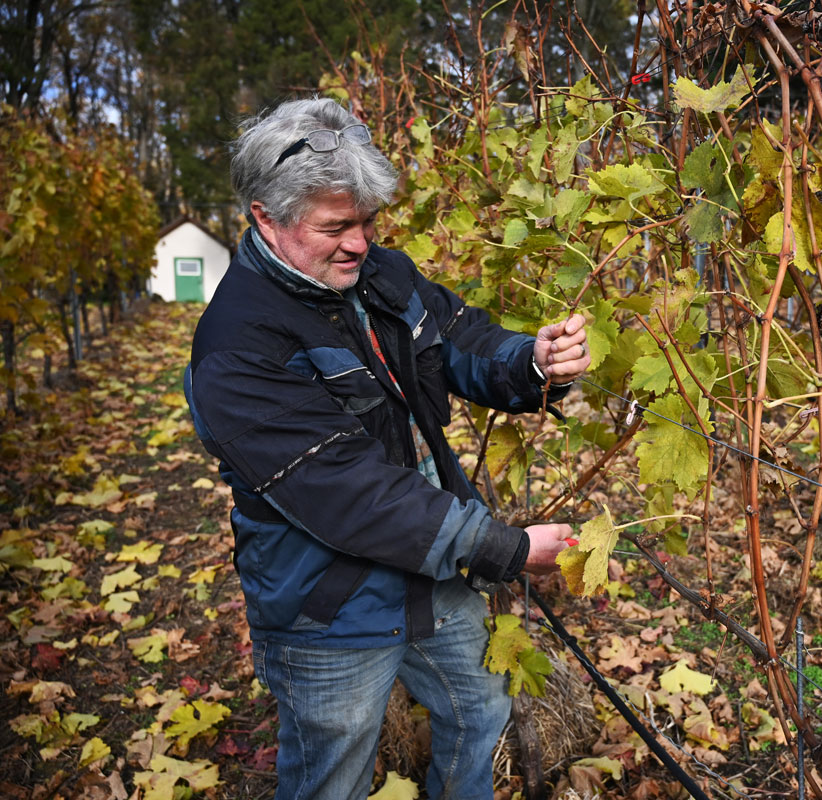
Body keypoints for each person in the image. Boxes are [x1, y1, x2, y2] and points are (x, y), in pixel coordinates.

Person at [184, 97, 591, 800]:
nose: (359, 242)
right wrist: (505, 549)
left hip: (433, 573)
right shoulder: (236, 349)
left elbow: (462, 339)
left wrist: (534, 362)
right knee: (330, 775)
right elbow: (355, 495)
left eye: (367, 222)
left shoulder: (382, 274)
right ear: (265, 219)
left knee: (479, 713)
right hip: (330, 610)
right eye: (335, 226)